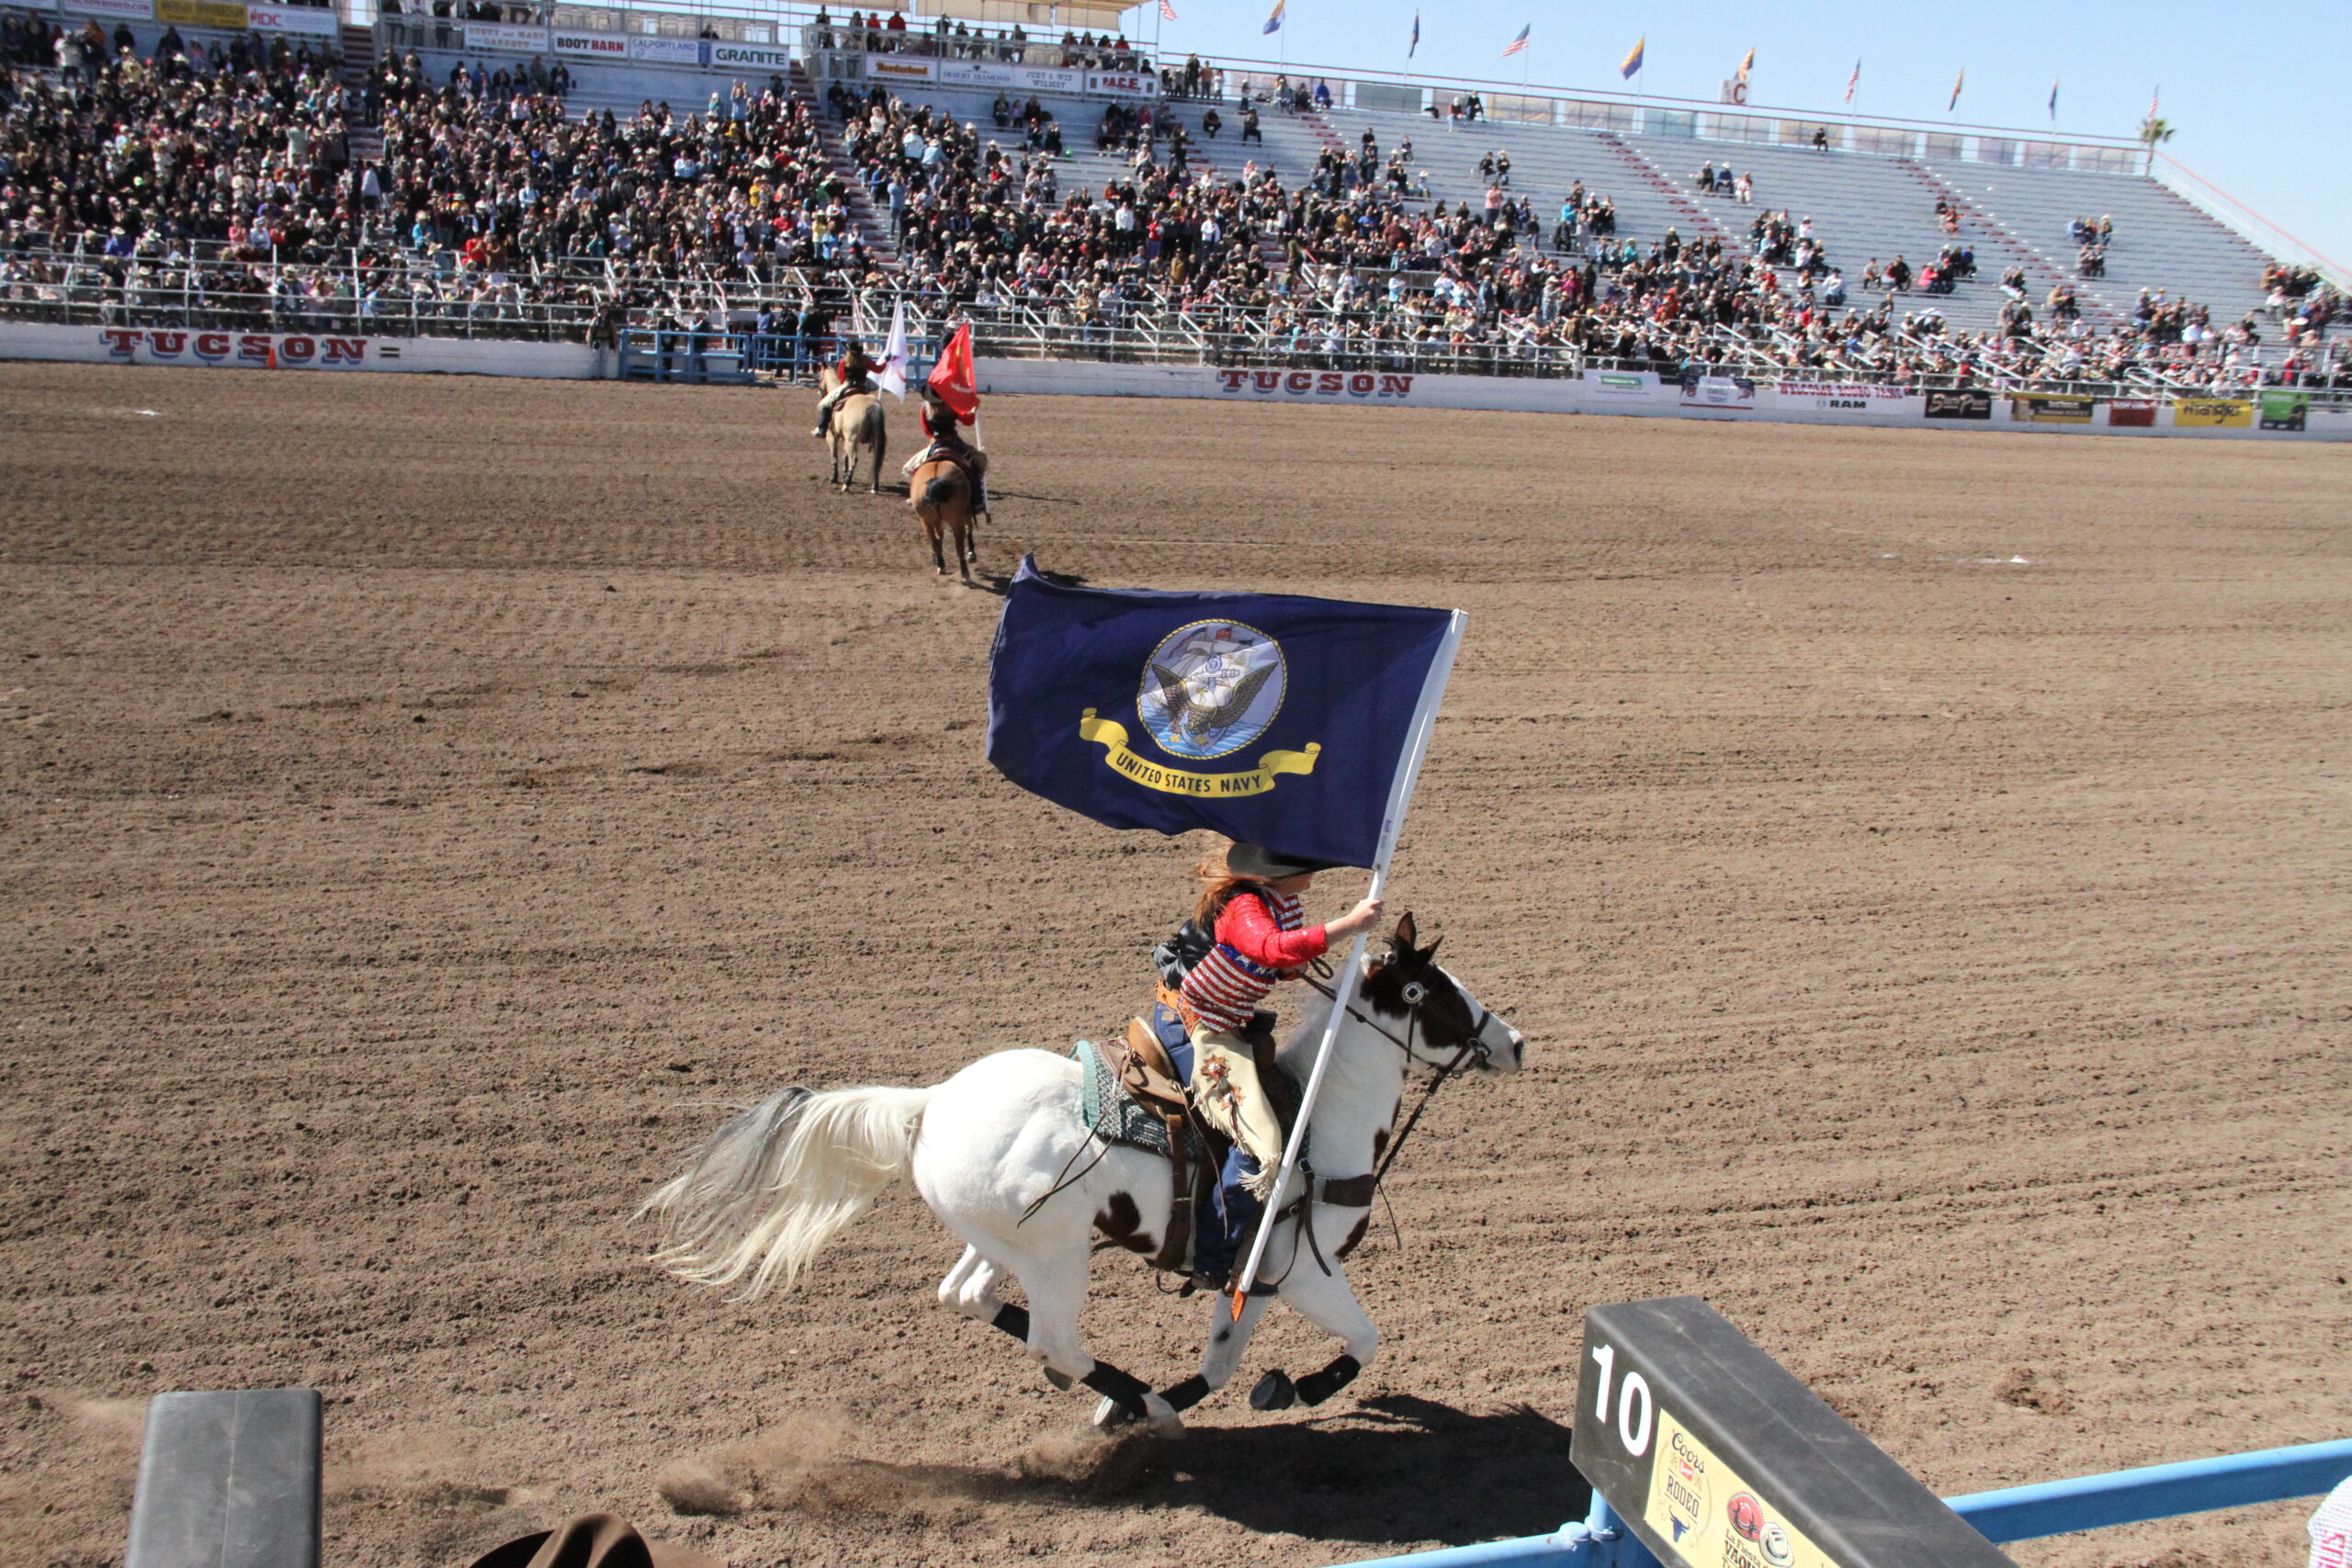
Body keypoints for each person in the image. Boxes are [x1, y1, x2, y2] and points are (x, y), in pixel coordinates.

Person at [1172, 840, 1384, 1201]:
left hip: (1226, 1018)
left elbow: (1277, 956)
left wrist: (1288, 968)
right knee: (1260, 1136)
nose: (1313, 873)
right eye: (1307, 867)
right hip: (1203, 1021)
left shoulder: (1284, 904)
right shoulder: (1245, 906)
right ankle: (1221, 1234)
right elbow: (1272, 948)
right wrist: (1349, 924)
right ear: (1283, 876)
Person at [903, 383, 988, 518]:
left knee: (913, 468)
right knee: (976, 465)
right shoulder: (952, 404)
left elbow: (926, 430)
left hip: (935, 444)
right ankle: (977, 501)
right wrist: (973, 409)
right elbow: (968, 421)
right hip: (954, 443)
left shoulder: (924, 408)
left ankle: (915, 495)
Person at [809, 336, 876, 437]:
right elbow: (879, 369)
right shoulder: (866, 360)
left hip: (848, 385)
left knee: (824, 404)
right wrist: (886, 361)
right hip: (863, 387)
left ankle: (822, 429)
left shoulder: (843, 361)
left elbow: (841, 377)